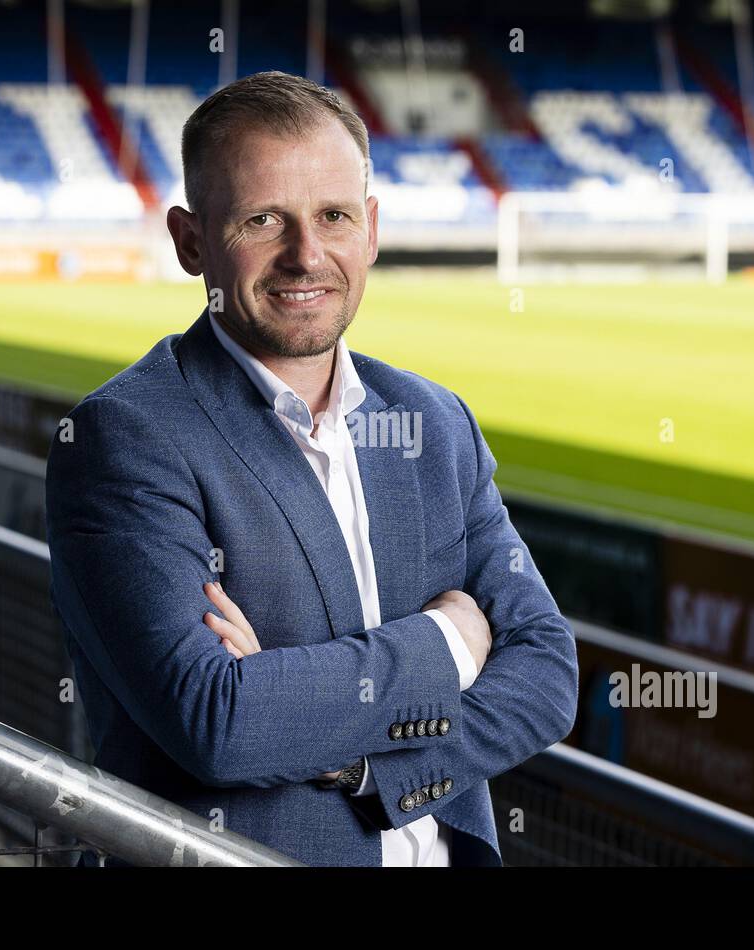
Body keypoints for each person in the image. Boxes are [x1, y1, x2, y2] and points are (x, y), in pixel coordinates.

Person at [45, 70, 578, 867]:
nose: (306, 255)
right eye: (263, 219)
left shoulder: (435, 424)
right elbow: (218, 722)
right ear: (191, 240)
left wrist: (361, 764)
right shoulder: (124, 437)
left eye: (332, 216)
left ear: (369, 227)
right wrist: (451, 643)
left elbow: (545, 672)